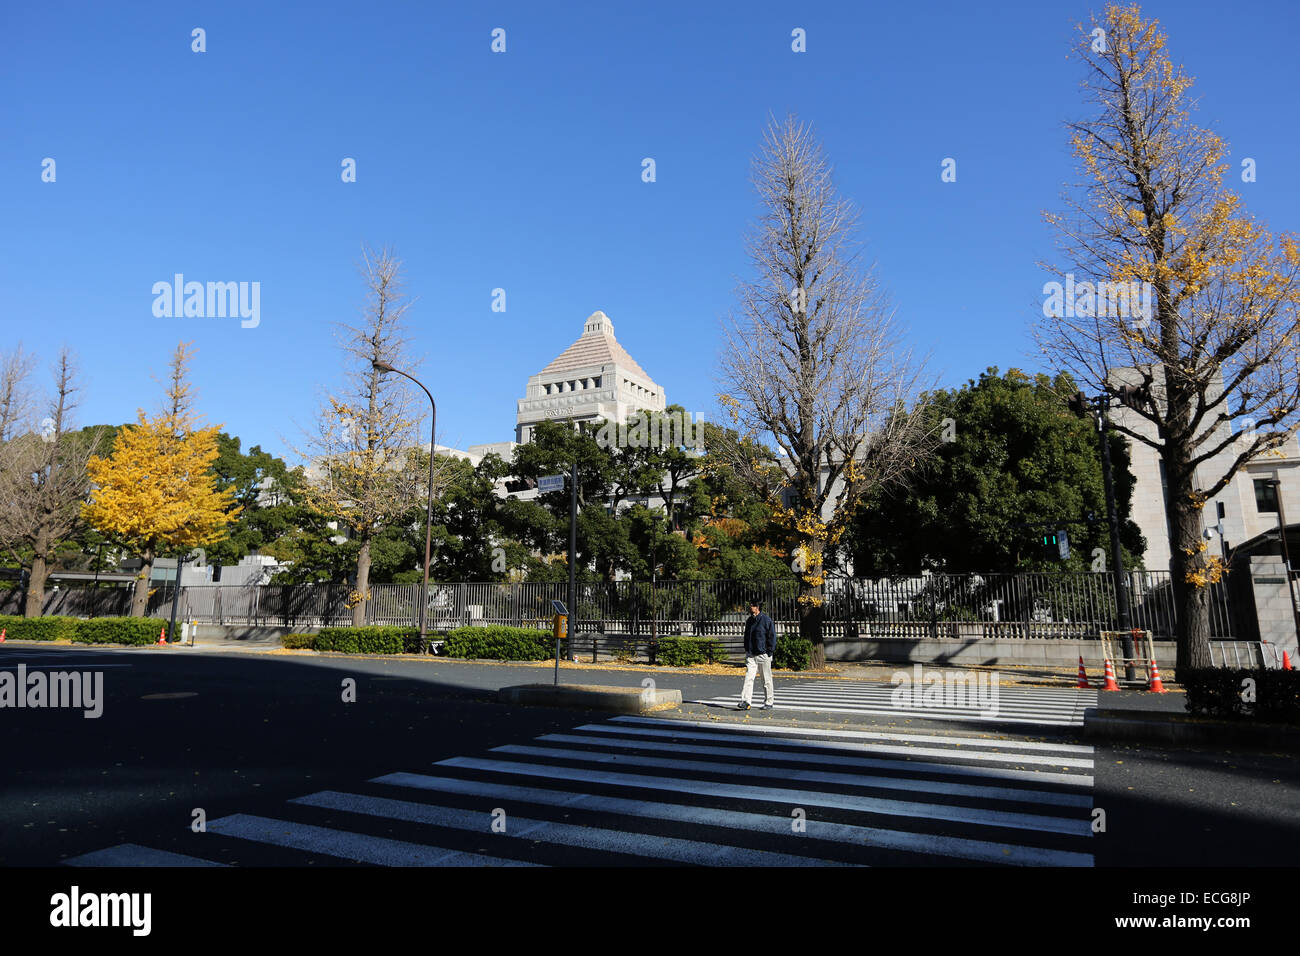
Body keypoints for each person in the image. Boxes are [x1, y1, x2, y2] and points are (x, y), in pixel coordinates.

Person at [739, 598, 776, 710]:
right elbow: (746, 636)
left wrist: (769, 652)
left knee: (766, 680)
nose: (750, 607)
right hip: (751, 654)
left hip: (763, 654)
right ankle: (746, 701)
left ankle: (769, 702)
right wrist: (747, 649)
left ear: (757, 607)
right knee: (748, 678)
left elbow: (772, 637)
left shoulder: (766, 620)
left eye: (752, 605)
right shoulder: (749, 621)